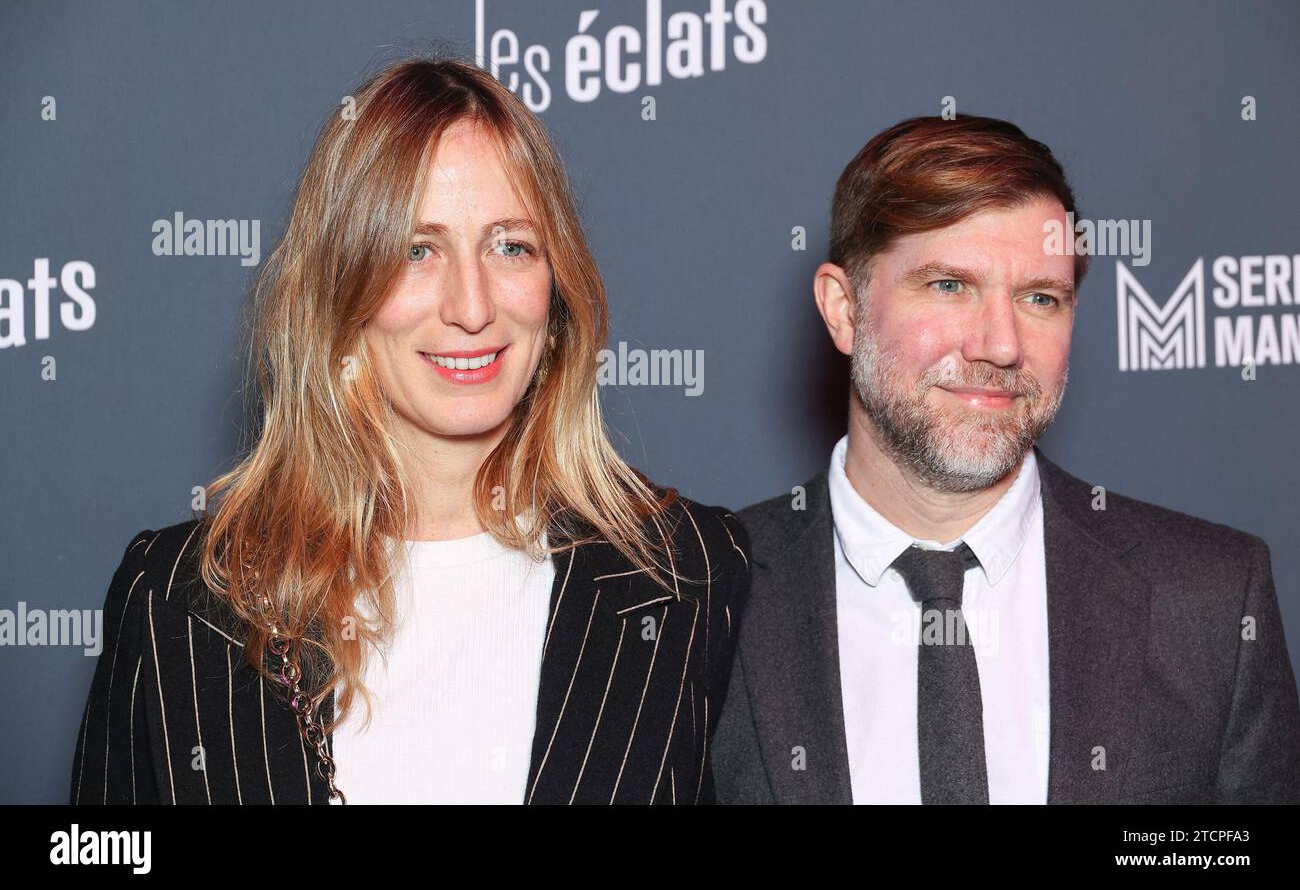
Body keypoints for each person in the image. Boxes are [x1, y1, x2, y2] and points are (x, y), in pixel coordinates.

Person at [70, 55, 749, 805]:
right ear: (339, 293)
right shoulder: (182, 599)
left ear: (557, 294)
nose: (471, 305)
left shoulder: (691, 577)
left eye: (510, 245)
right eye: (416, 249)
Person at [712, 114, 1300, 804]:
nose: (1000, 345)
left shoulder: (1211, 601)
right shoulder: (707, 593)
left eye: (1039, 298)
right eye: (949, 286)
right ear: (844, 310)